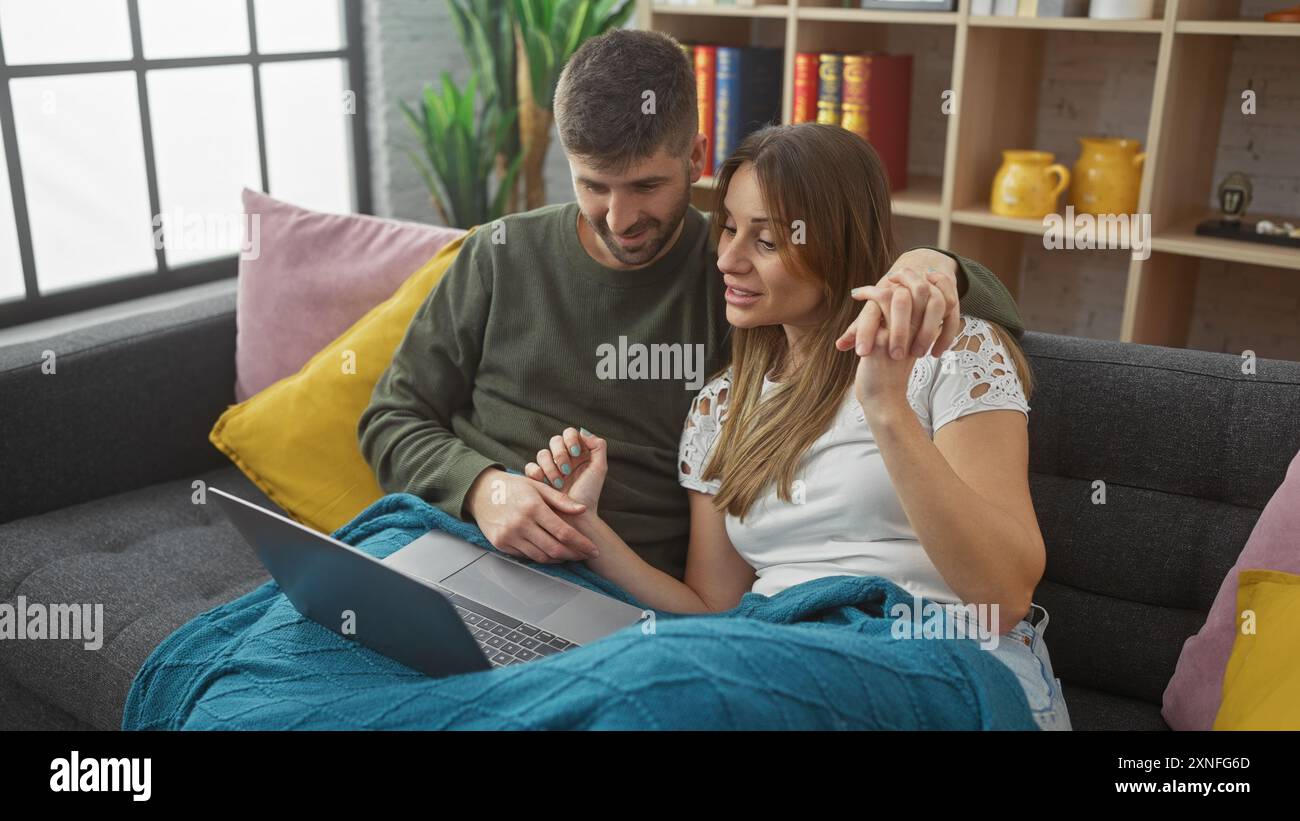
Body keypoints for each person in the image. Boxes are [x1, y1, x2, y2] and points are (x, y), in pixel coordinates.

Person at [358, 28, 1024, 585]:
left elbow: (871, 285)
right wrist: (482, 489)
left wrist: (941, 267)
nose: (619, 218)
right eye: (593, 185)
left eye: (646, 185)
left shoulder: (740, 275)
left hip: (610, 585)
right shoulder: (499, 253)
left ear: (697, 158)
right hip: (456, 535)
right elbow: (391, 416)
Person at [522, 121, 1072, 731]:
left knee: (654, 684)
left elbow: (1003, 598)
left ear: (835, 246)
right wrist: (585, 528)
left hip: (943, 658)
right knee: (615, 674)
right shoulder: (723, 406)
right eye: (729, 227)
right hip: (778, 657)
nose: (727, 258)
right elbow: (711, 609)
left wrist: (886, 407)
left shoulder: (954, 352)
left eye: (767, 241)